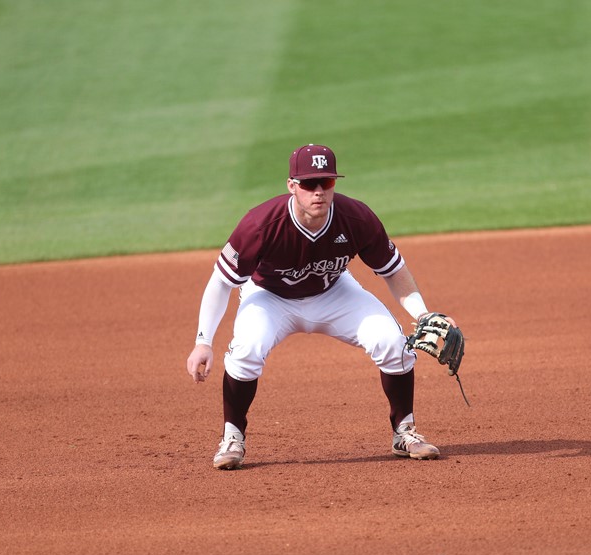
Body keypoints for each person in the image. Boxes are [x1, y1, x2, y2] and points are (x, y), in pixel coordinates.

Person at [185, 144, 458, 470]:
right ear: (291, 186)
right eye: (308, 184)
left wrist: (423, 314)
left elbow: (393, 269)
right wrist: (203, 340)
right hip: (271, 298)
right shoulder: (260, 225)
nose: (318, 192)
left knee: (392, 343)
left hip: (334, 293)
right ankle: (232, 437)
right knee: (247, 348)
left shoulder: (356, 218)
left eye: (325, 183)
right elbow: (221, 282)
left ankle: (405, 432)